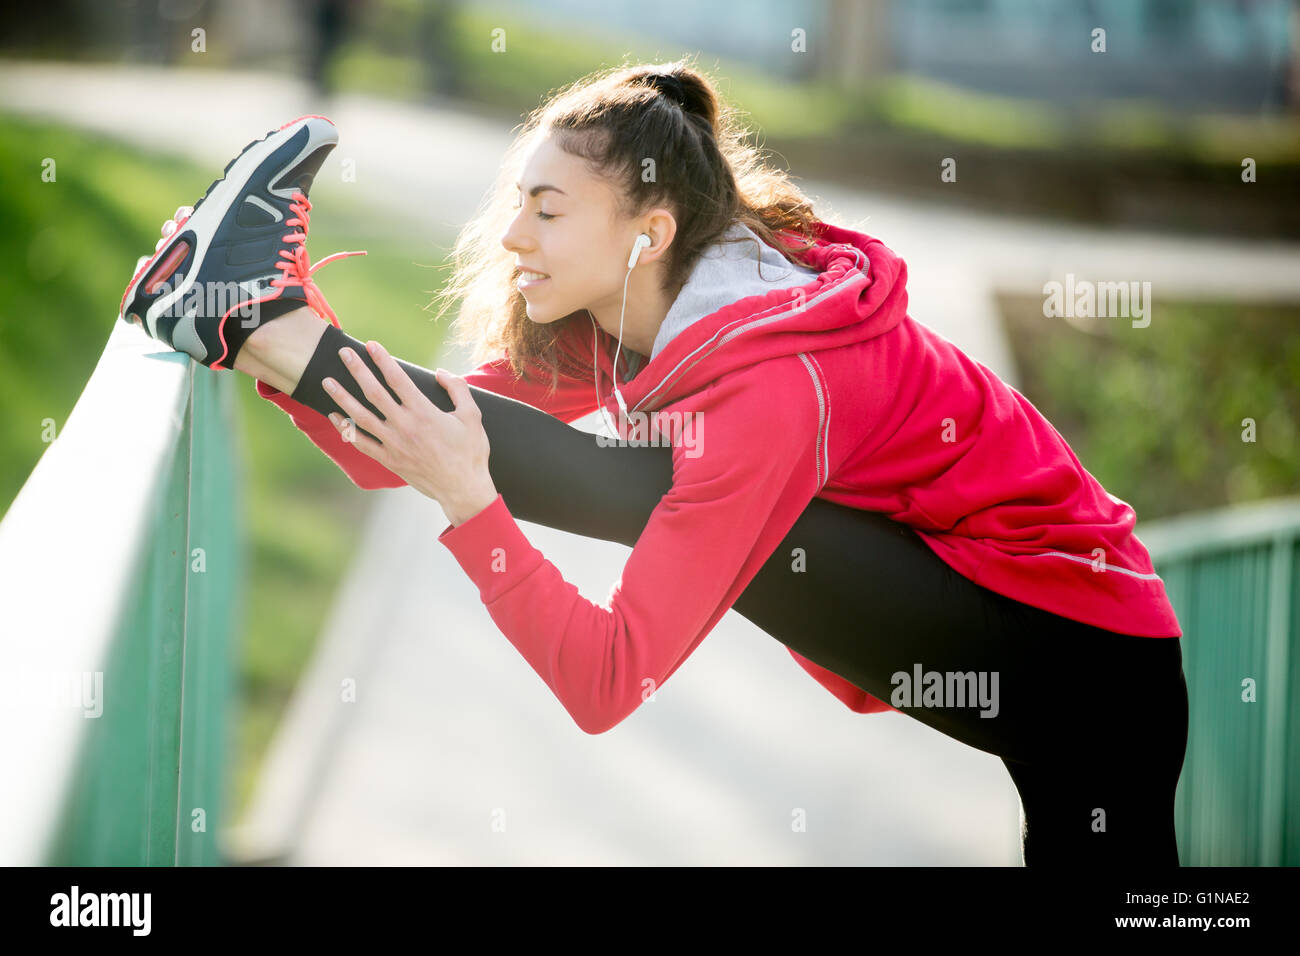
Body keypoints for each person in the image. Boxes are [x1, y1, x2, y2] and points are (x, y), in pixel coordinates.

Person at [119, 59, 1189, 866]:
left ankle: (244, 308)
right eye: (514, 205)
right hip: (1001, 603)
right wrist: (272, 351)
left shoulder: (772, 386)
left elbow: (603, 676)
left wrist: (472, 510)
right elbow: (400, 449)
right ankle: (238, 310)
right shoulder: (645, 307)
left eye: (546, 210)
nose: (512, 238)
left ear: (649, 228)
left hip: (1083, 656)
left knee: (664, 475)